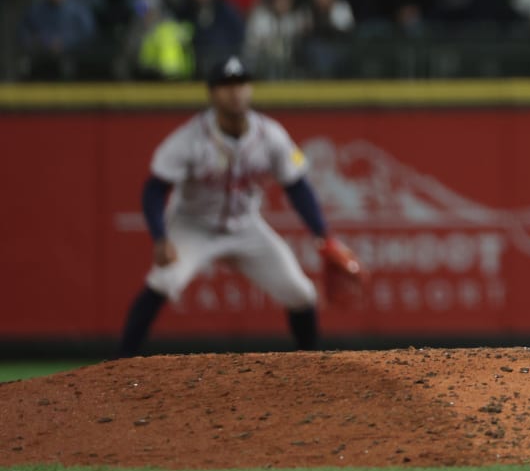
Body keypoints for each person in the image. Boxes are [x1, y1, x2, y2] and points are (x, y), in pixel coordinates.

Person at [113, 57, 363, 358]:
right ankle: (118, 369)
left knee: (301, 293)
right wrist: (160, 237)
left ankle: (310, 370)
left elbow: (297, 186)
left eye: (241, 84)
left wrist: (324, 235)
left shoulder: (270, 135)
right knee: (163, 281)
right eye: (226, 86)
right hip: (194, 225)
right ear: (212, 93)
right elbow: (154, 190)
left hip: (246, 226)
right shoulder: (189, 138)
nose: (235, 92)